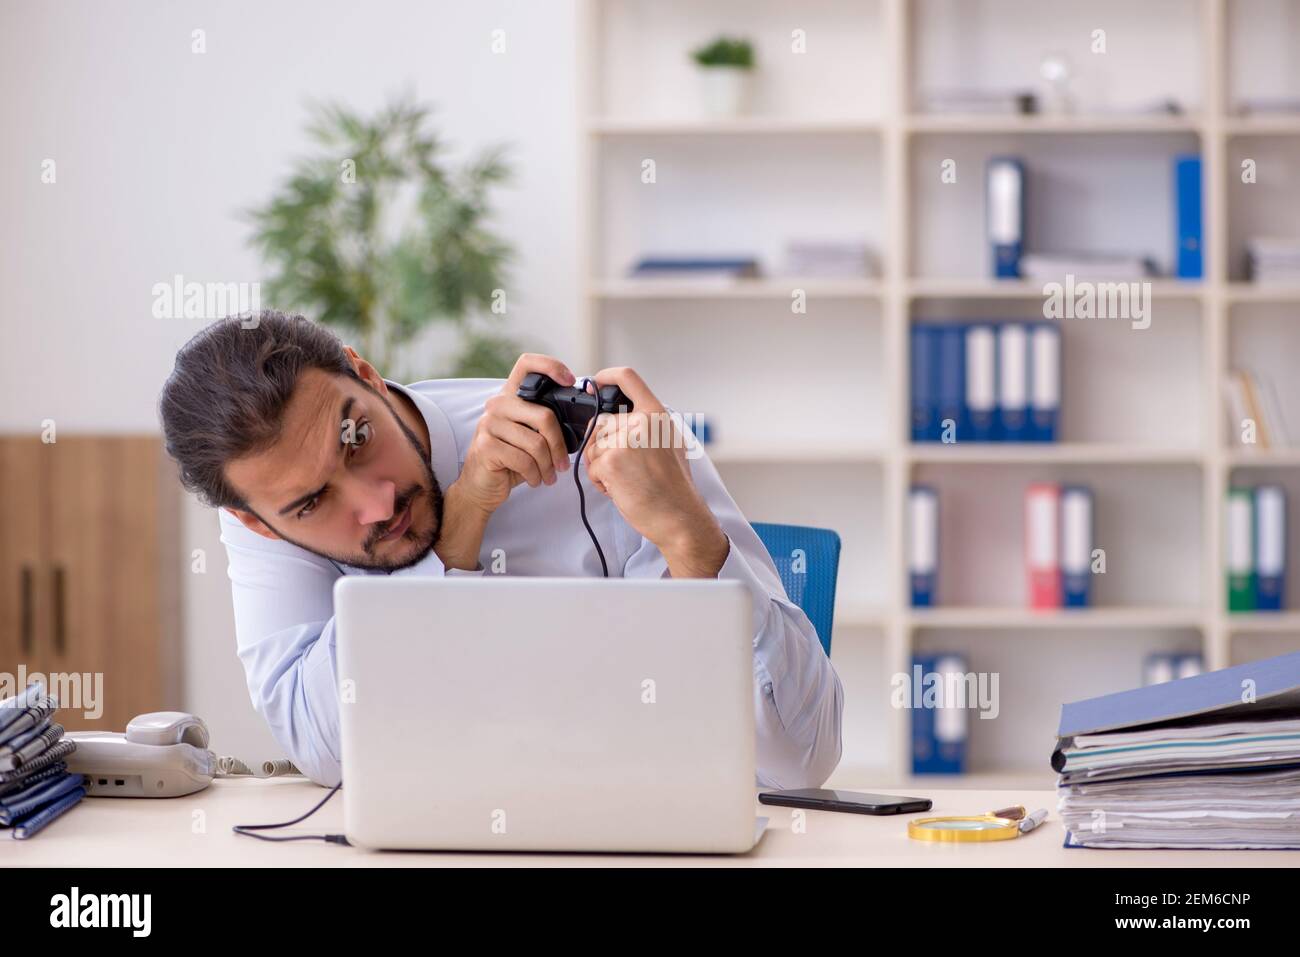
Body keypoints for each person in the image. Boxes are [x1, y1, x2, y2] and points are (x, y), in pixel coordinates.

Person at [158, 310, 843, 789]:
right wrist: (460, 520)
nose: (375, 502)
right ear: (261, 526)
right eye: (313, 504)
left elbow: (800, 759)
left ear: (366, 376)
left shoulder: (604, 443)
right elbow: (328, 747)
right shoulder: (267, 507)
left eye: (357, 438)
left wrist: (694, 540)